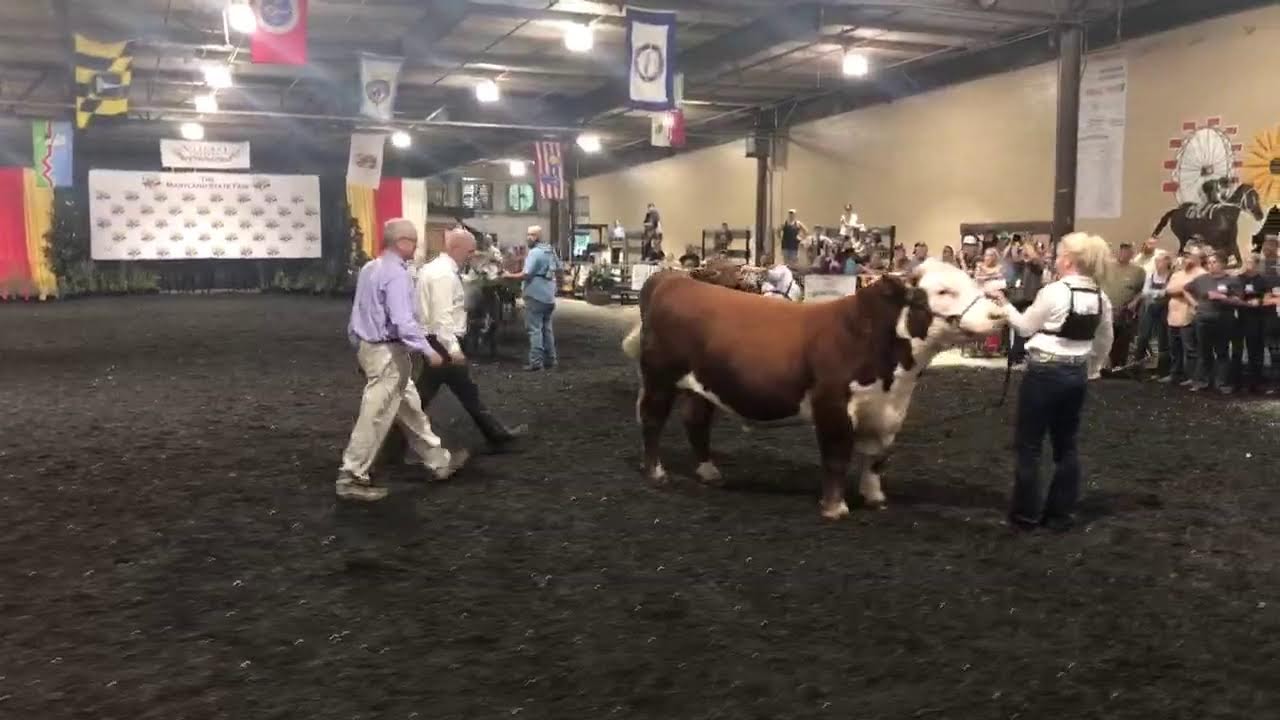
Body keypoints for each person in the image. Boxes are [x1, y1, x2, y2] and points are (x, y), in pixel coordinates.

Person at [337, 219, 468, 502]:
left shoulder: (370, 268)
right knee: (376, 415)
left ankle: (438, 461)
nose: (417, 246)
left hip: (371, 348)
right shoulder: (397, 275)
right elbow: (403, 321)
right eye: (414, 241)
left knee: (410, 409)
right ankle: (351, 475)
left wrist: (359, 348)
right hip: (388, 353)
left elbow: (358, 312)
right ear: (402, 242)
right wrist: (428, 350)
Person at [998, 232, 1114, 531]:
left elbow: (1024, 328)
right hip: (1076, 374)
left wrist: (1004, 304)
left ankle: (1026, 513)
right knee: (1066, 445)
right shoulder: (1101, 297)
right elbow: (1104, 340)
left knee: (1030, 446)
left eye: (1059, 254)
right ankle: (1060, 512)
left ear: (1069, 260)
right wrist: (1092, 369)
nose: (1056, 259)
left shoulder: (1054, 291)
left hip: (1044, 373)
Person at [379, 227, 527, 461]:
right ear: (455, 248)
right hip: (442, 342)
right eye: (469, 251)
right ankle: (390, 447)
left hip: (437, 341)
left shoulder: (438, 270)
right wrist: (454, 348)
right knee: (429, 396)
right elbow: (441, 317)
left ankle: (497, 435)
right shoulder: (443, 275)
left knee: (456, 393)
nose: (472, 255)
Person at [505, 225, 560, 371]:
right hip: (549, 296)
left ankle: (536, 363)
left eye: (532, 235)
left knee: (534, 329)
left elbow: (526, 274)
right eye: (528, 234)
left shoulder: (535, 253)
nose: (529, 237)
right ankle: (551, 360)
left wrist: (507, 276)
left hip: (535, 294)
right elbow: (559, 268)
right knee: (547, 329)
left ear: (539, 237)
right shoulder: (550, 250)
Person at [1186, 253, 1241, 393]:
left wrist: (1221, 297)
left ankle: (1221, 383)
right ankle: (1202, 382)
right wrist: (1195, 304)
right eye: (1209, 262)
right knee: (1204, 352)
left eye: (1214, 262)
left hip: (1223, 319)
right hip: (1203, 319)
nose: (1211, 265)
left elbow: (1237, 299)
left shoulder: (1232, 280)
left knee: (1222, 351)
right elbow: (1186, 289)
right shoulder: (1201, 279)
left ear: (1223, 263)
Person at [1160, 246, 1206, 386]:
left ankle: (1192, 376)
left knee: (1190, 349)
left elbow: (1195, 290)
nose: (1186, 258)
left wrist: (1182, 289)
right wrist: (1183, 289)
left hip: (1188, 315)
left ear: (1198, 258)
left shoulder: (1202, 274)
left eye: (1189, 255)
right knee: (1174, 348)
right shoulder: (1177, 274)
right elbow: (1168, 290)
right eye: (1185, 256)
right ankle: (1175, 374)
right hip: (1173, 316)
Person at [1099, 243, 1147, 373]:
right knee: (1104, 338)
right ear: (1118, 252)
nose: (1123, 254)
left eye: (1127, 252)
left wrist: (1134, 303)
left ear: (1132, 254)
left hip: (1125, 311)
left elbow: (1142, 291)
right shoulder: (1106, 267)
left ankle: (1118, 367)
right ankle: (1102, 366)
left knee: (1122, 340)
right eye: (1122, 251)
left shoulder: (1138, 271)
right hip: (1106, 309)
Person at [1231, 254, 1267, 393]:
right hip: (1239, 317)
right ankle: (1236, 381)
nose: (1248, 264)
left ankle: (1255, 382)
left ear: (1257, 264)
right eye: (1246, 262)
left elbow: (1268, 296)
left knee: (1255, 350)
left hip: (1255, 318)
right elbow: (1232, 293)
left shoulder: (1262, 280)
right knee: (1237, 350)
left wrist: (1260, 301)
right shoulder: (1238, 278)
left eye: (1251, 262)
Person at [1132, 251, 1173, 376]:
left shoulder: (1171, 276)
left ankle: (1162, 370)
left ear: (1167, 262)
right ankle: (1136, 367)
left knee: (1163, 339)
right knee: (1143, 336)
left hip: (1164, 310)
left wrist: (1156, 293)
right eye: (1156, 261)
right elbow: (1145, 292)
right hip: (1150, 308)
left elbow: (1168, 291)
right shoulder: (1151, 275)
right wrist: (1159, 293)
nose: (1157, 263)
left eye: (1160, 261)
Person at [1005, 242, 1046, 364]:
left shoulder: (1036, 265)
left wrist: (1028, 247)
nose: (1023, 252)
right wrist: (1013, 248)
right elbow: (1009, 260)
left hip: (1030, 299)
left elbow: (1036, 261)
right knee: (1017, 328)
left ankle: (1020, 353)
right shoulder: (1020, 265)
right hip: (1017, 298)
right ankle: (1016, 353)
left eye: (1025, 250)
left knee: (1025, 328)